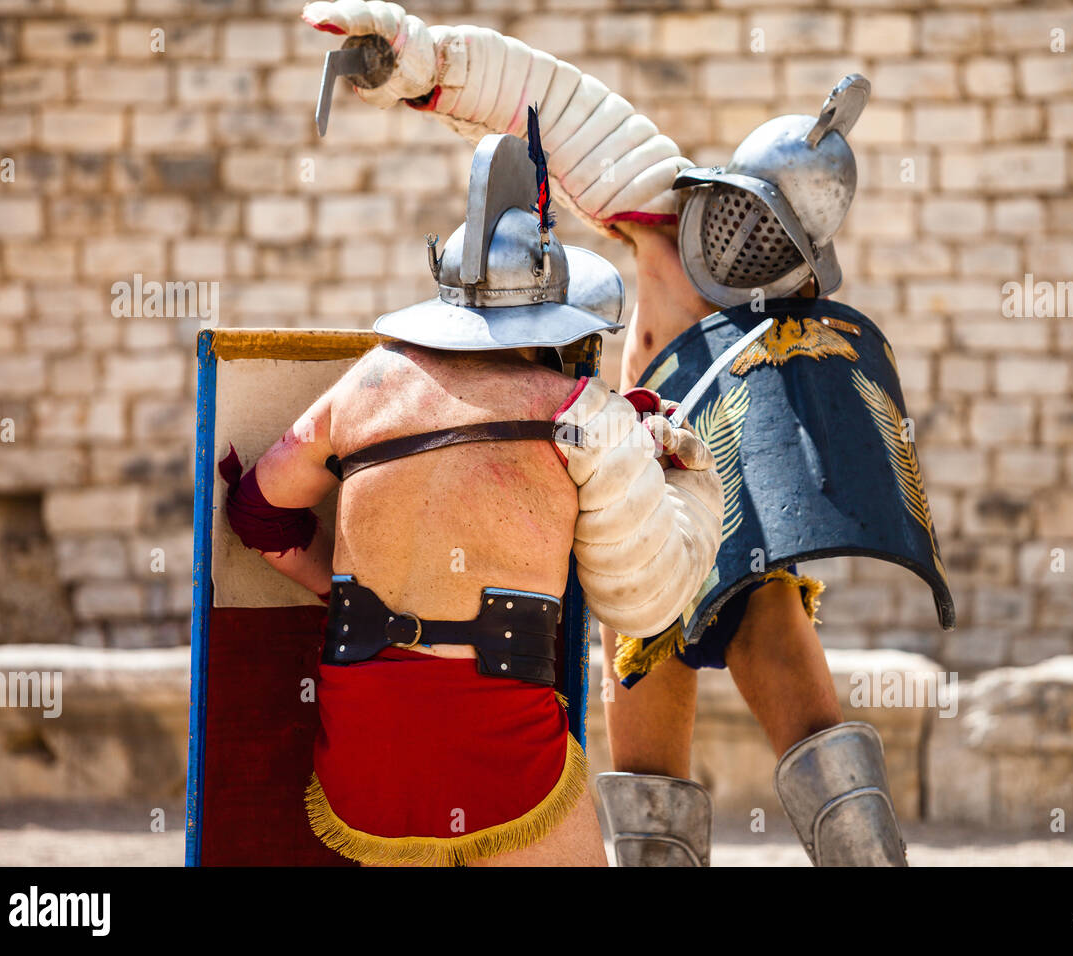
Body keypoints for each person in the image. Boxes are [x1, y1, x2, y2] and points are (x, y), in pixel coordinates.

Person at [299, 0, 955, 866]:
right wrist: (417, 57)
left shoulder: (795, 321)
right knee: (651, 728)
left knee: (780, 688)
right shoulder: (662, 212)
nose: (742, 244)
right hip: (642, 502)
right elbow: (549, 103)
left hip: (706, 509)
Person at [218, 128, 722, 866]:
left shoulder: (367, 385)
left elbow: (257, 513)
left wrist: (349, 594)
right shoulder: (581, 413)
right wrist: (685, 470)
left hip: (360, 755)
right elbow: (646, 604)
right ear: (554, 316)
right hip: (496, 750)